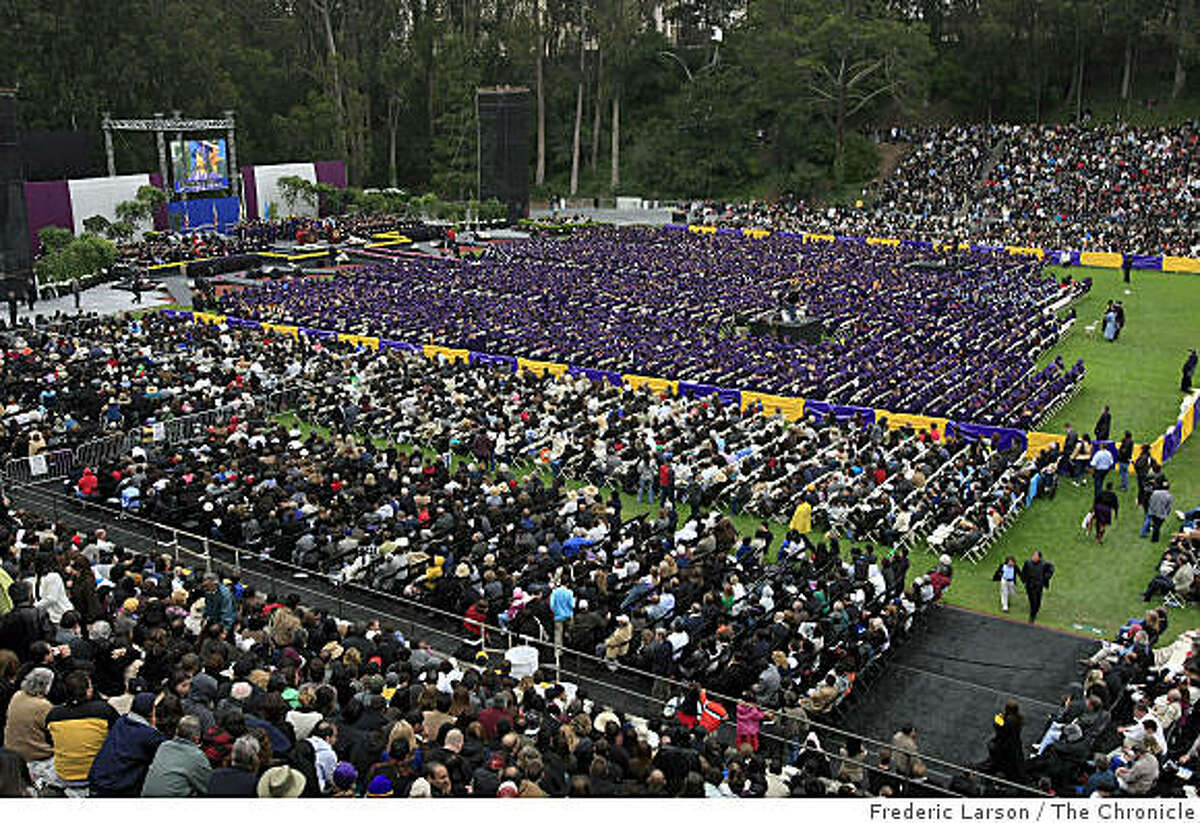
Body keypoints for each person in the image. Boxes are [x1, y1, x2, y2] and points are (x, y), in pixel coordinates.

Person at [141, 714, 211, 797]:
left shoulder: (164, 746)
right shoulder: (197, 756)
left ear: (176, 732)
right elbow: (208, 786)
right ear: (196, 738)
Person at [985, 700, 1025, 783]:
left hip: (1005, 744)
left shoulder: (1009, 721)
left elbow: (1002, 732)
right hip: (1015, 743)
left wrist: (998, 722)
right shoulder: (1018, 718)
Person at [1020, 550, 1054, 623]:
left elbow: (1051, 569)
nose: (1034, 557)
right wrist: (1023, 579)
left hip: (1038, 585)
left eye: (1036, 556)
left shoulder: (1044, 564)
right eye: (1033, 555)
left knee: (1037, 601)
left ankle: (1035, 611)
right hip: (1030, 584)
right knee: (1032, 600)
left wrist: (1046, 577)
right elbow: (1024, 571)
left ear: (1039, 557)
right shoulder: (1028, 563)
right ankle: (1032, 615)